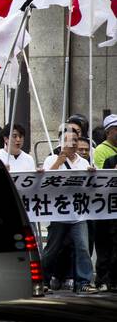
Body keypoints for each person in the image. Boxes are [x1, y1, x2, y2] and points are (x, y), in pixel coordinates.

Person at [41, 126, 96, 293]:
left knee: (83, 247)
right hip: (59, 212)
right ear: (61, 142)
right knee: (52, 249)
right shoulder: (51, 159)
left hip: (78, 213)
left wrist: (92, 176)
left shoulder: (84, 162)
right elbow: (45, 182)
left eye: (74, 140)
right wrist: (59, 161)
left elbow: (90, 189)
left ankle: (83, 282)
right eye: (68, 140)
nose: (72, 144)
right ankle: (43, 280)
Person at [92, 114, 117, 292]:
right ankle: (103, 277)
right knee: (105, 245)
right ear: (109, 132)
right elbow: (102, 177)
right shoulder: (101, 151)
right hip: (105, 205)